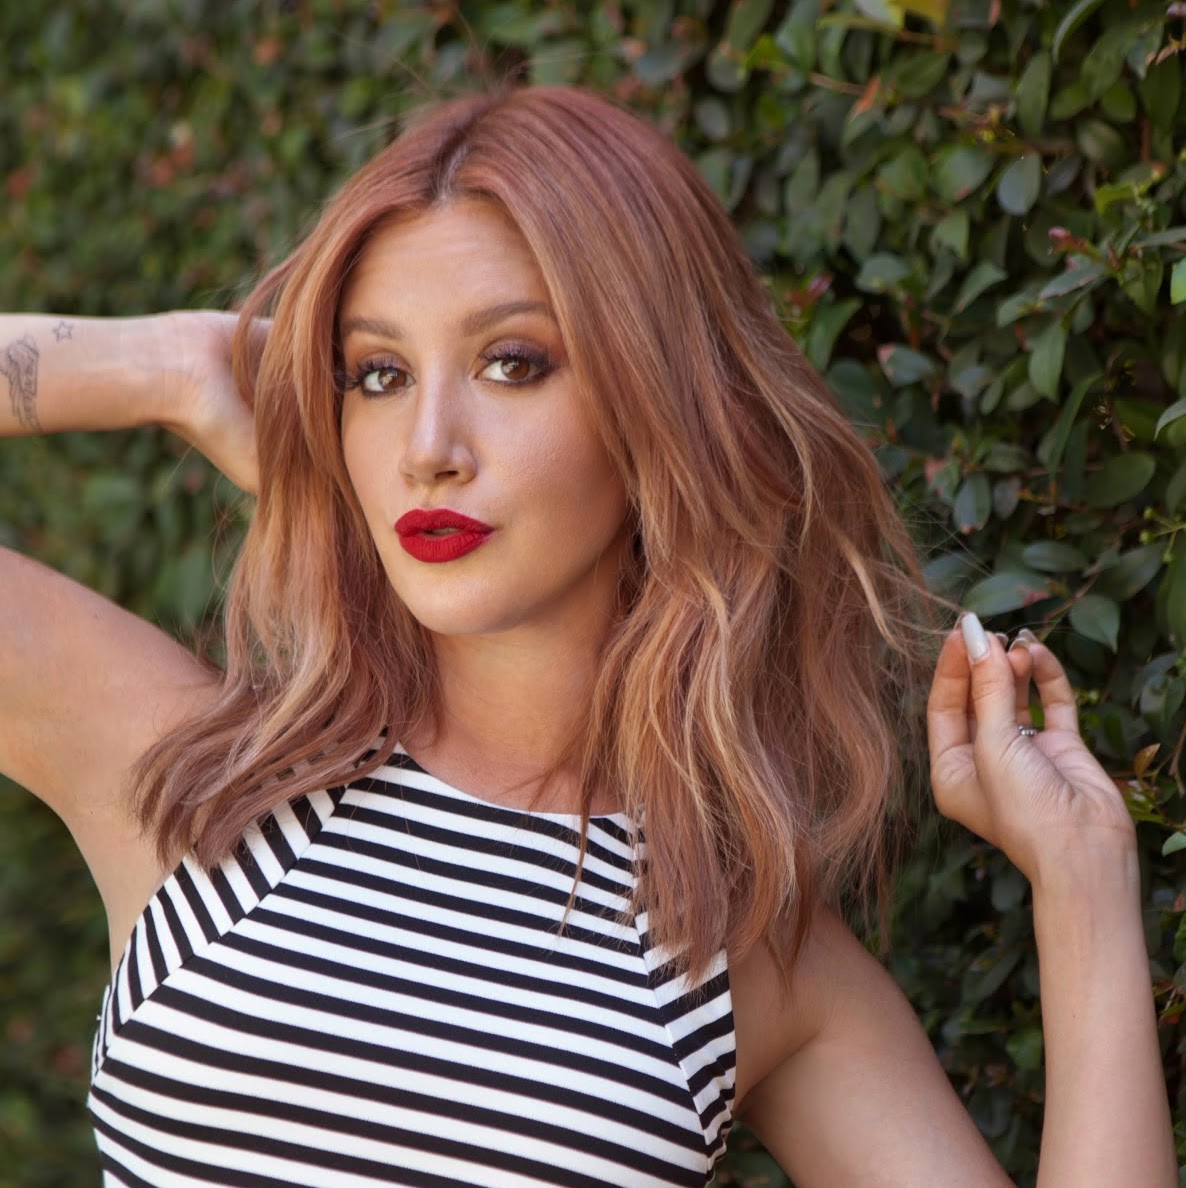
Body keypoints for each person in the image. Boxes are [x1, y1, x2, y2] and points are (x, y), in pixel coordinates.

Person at [0, 85, 1172, 1188]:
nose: (428, 447)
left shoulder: (737, 953)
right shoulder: (195, 775)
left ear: (661, 402)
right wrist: (164, 367)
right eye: (378, 374)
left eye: (513, 363)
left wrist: (1082, 883)